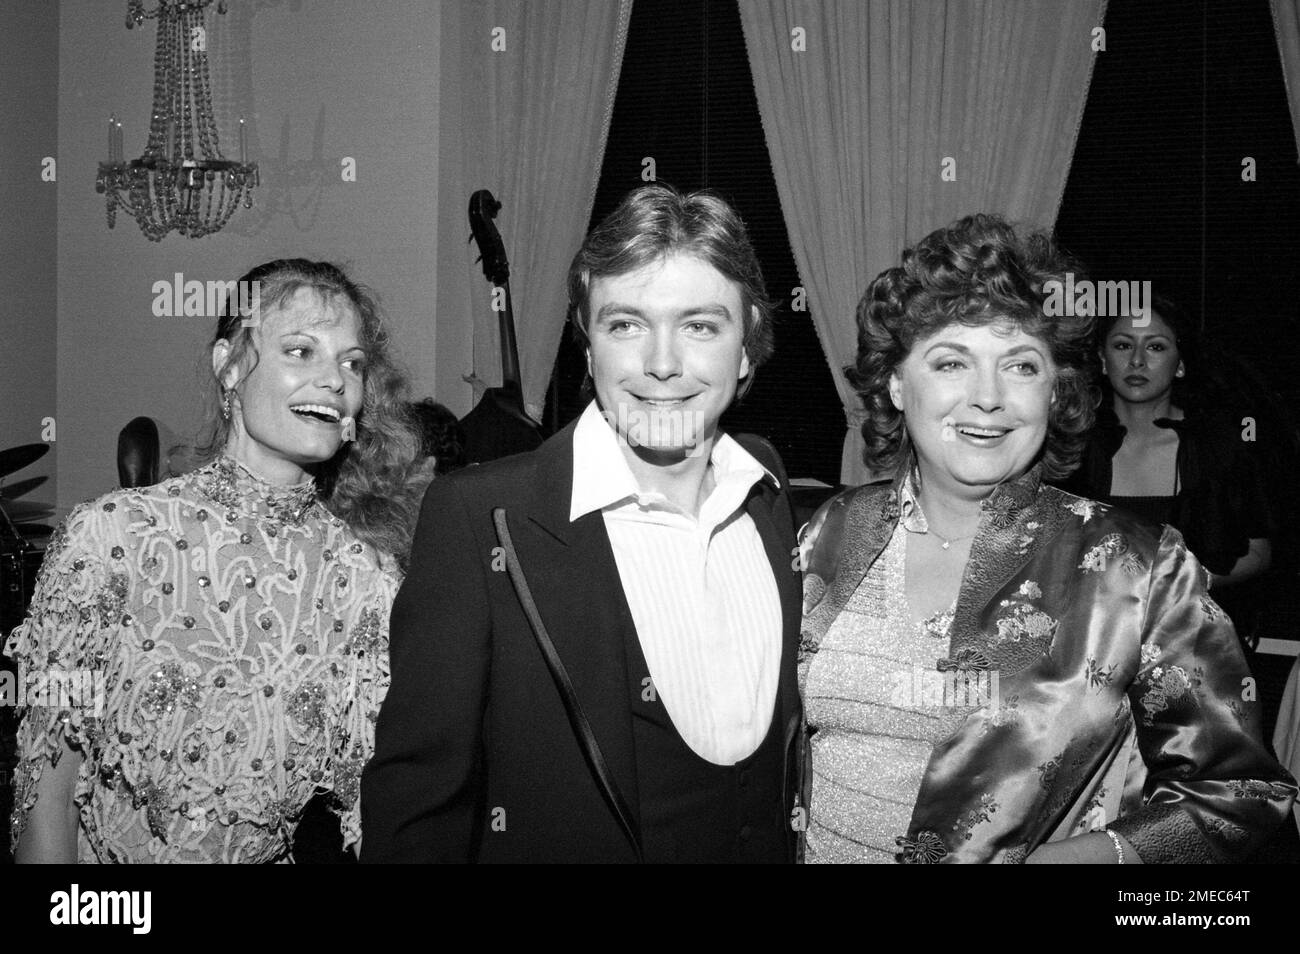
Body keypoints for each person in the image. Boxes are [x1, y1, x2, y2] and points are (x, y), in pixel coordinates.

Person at [799, 214, 1296, 863]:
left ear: (1054, 391)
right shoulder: (831, 530)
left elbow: (1247, 794)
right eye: (951, 361)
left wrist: (1080, 859)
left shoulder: (1136, 570)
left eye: (1020, 366)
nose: (986, 397)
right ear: (896, 382)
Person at [361, 185, 804, 863]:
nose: (662, 362)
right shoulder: (479, 521)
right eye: (625, 324)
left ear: (747, 350)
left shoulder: (768, 495)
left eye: (701, 326)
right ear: (589, 347)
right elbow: (418, 808)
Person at [6, 259, 430, 863]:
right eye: (301, 350)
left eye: (351, 363)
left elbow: (379, 812)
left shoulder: (368, 583)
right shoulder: (110, 539)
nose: (335, 380)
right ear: (228, 365)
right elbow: (46, 789)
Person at [1062, 295, 1277, 641]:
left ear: (1180, 364)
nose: (1136, 360)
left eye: (1156, 347)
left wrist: (1191, 579)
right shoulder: (1071, 450)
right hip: (1090, 646)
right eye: (1122, 345)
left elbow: (1259, 551)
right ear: (1103, 360)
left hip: (1195, 647)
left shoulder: (1219, 448)